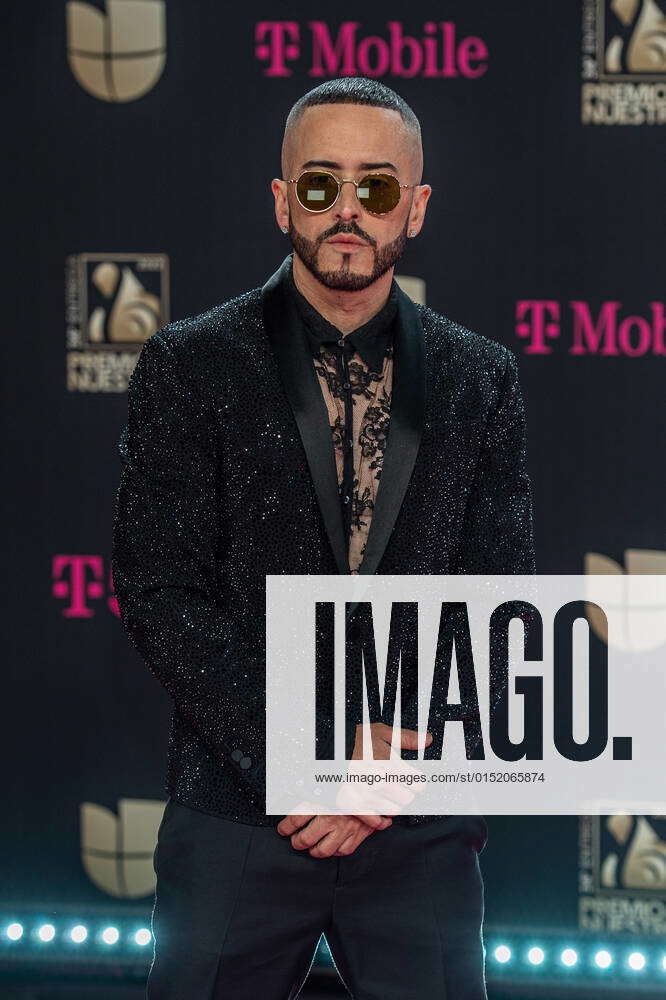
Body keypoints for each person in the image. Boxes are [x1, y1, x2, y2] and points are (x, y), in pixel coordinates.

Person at [112, 76, 535, 1000]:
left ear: (415, 208)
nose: (347, 210)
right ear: (281, 199)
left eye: (376, 187)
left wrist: (386, 766)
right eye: (320, 184)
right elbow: (159, 590)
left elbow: (495, 597)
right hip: (241, 811)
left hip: (412, 819)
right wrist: (300, 763)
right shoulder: (187, 363)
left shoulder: (482, 378)